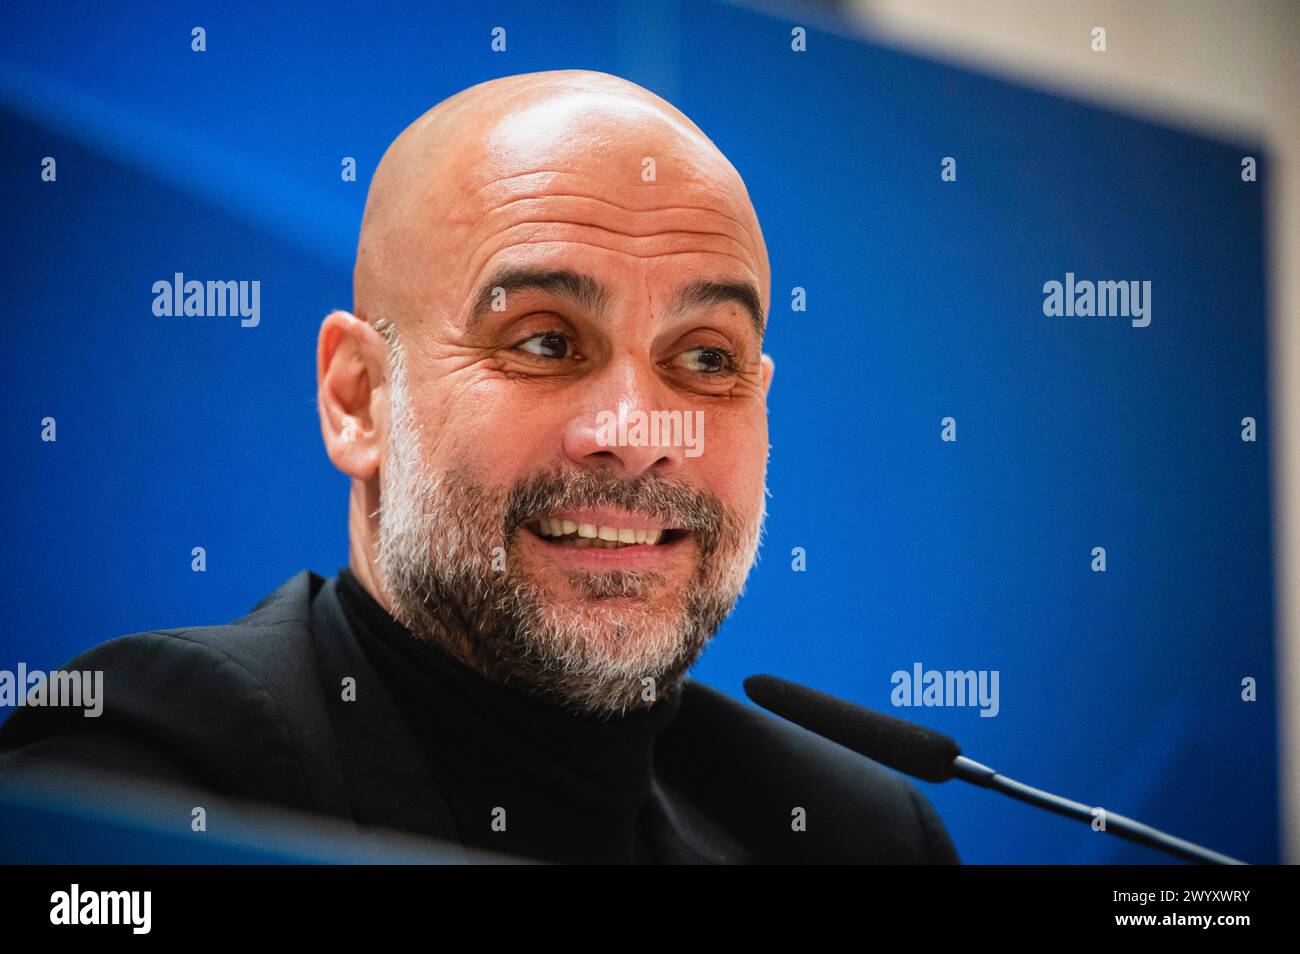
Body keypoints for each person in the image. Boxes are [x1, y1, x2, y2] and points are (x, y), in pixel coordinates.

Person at [0, 70, 958, 864]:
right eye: (544, 342)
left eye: (706, 358)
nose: (635, 431)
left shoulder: (848, 835)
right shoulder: (158, 773)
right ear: (358, 399)